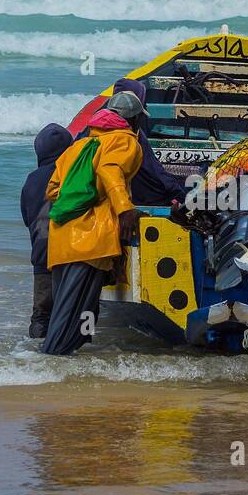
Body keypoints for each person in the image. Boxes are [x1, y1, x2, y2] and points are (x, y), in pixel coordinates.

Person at [42, 90, 145, 355]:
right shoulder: (125, 141)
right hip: (91, 241)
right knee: (73, 315)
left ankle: (53, 359)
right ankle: (50, 365)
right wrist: (125, 209)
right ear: (133, 121)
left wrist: (84, 193)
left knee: (65, 310)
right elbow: (110, 171)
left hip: (62, 237)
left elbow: (53, 190)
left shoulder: (77, 146)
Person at [19, 123, 74, 338]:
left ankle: (34, 359)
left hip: (41, 257)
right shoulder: (72, 175)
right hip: (69, 255)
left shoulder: (31, 180)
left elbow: (27, 217)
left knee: (41, 316)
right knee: (70, 315)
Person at [109, 77, 187, 206]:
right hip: (136, 198)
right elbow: (156, 173)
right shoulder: (133, 138)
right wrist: (179, 194)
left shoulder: (91, 132)